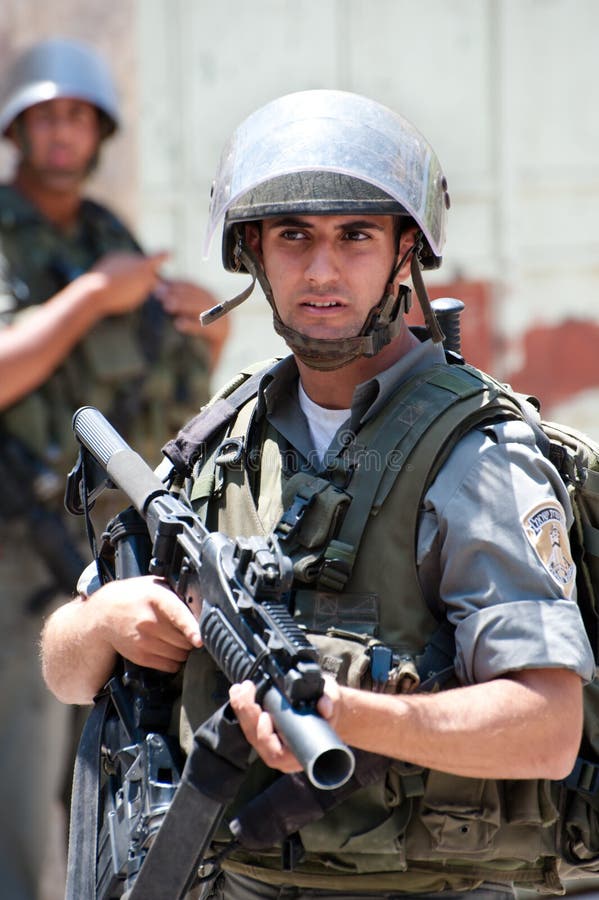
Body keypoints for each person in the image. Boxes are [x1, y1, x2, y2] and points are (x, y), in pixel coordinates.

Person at [41, 89, 594, 900]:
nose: (322, 270)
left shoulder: (477, 456)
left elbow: (546, 730)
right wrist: (102, 621)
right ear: (252, 255)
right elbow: (65, 672)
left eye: (355, 236)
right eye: (293, 237)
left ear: (405, 252)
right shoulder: (220, 441)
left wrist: (349, 715)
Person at [0, 37, 228, 900]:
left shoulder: (105, 234)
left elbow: (167, 401)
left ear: (100, 132)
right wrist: (96, 295)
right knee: (19, 768)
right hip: (13, 540)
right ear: (19, 129)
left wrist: (205, 333)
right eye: (46, 116)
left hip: (97, 536)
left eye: (79, 117)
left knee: (104, 754)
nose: (63, 133)